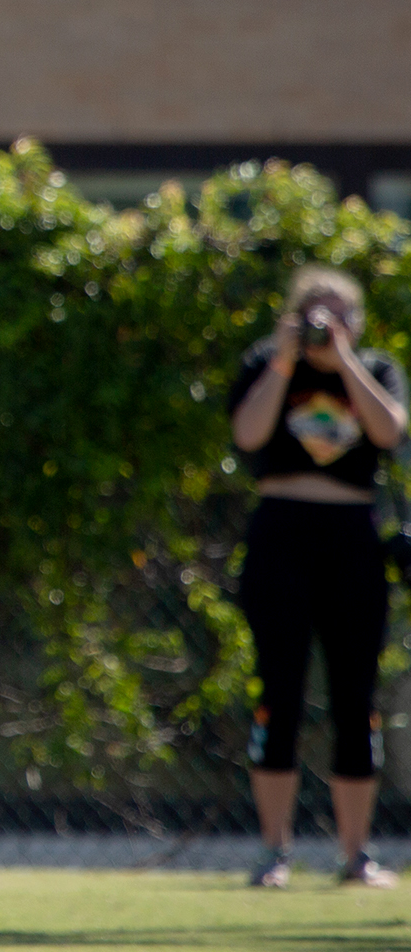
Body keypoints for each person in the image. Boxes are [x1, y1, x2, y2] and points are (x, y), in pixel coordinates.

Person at [229, 265, 405, 890]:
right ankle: (274, 852)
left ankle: (356, 855)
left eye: (340, 316)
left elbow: (390, 432)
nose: (326, 328)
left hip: (352, 539)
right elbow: (248, 434)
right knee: (278, 692)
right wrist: (284, 360)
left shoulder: (376, 368)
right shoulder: (267, 363)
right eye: (315, 316)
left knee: (356, 698)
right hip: (281, 535)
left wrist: (346, 360)